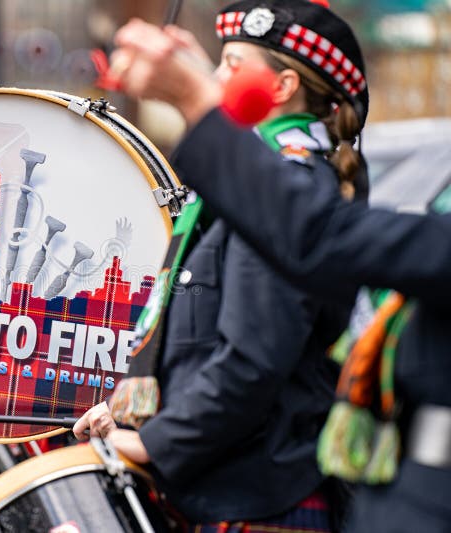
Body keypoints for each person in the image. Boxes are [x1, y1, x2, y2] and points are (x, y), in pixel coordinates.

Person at [99, 2, 451, 532]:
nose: (217, 80)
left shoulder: (295, 186)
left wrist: (155, 441)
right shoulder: (257, 191)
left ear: (282, 88)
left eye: (232, 66)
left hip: (255, 497)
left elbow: (254, 359)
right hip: (225, 490)